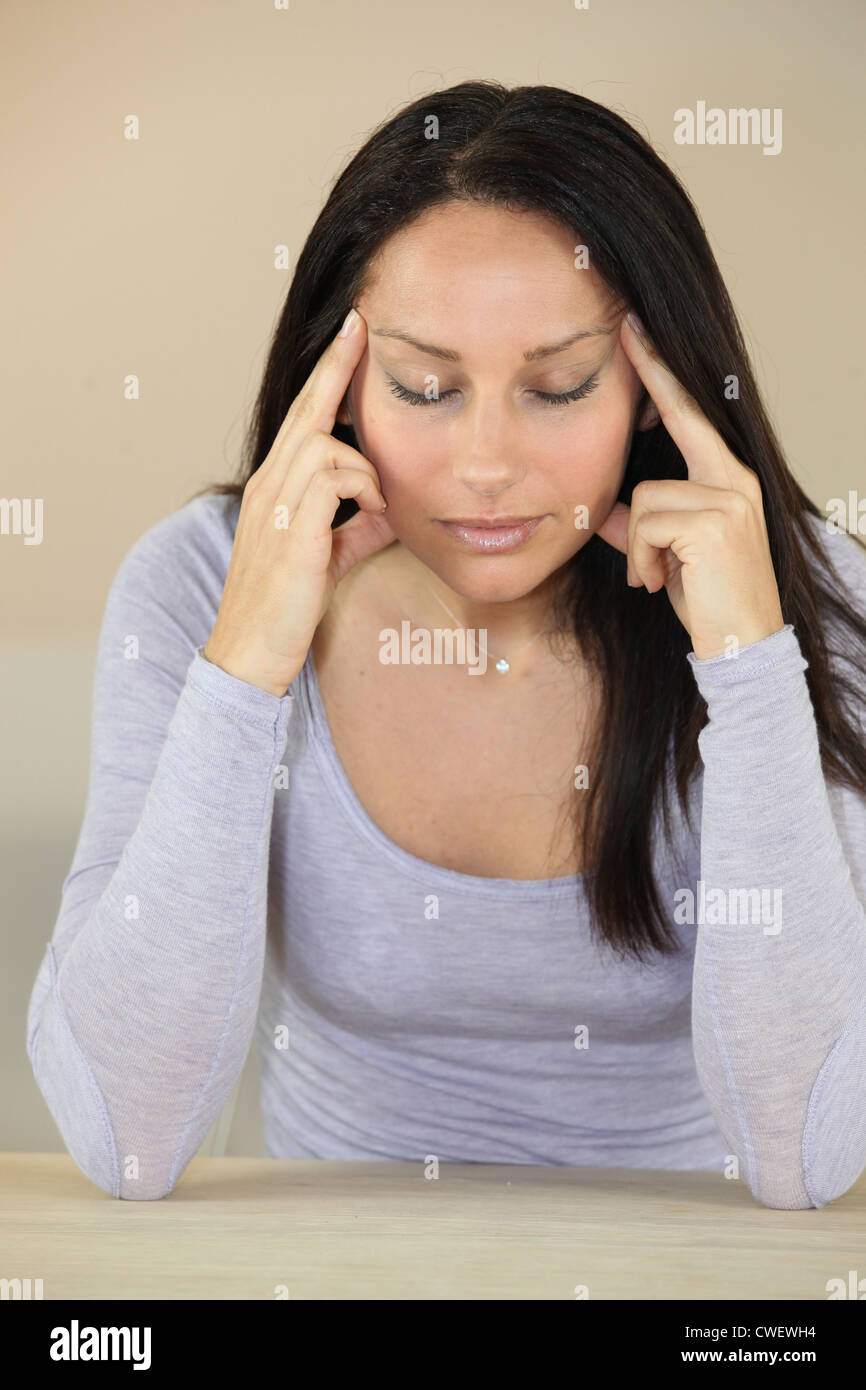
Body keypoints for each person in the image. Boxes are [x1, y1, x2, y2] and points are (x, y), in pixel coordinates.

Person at [26, 80, 866, 1208]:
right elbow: (125, 1139)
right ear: (340, 382)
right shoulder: (195, 583)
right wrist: (241, 674)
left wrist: (753, 677)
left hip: (679, 1281)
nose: (484, 462)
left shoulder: (804, 597)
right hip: (331, 1283)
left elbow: (801, 1158)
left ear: (653, 389)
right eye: (424, 386)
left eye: (558, 386)